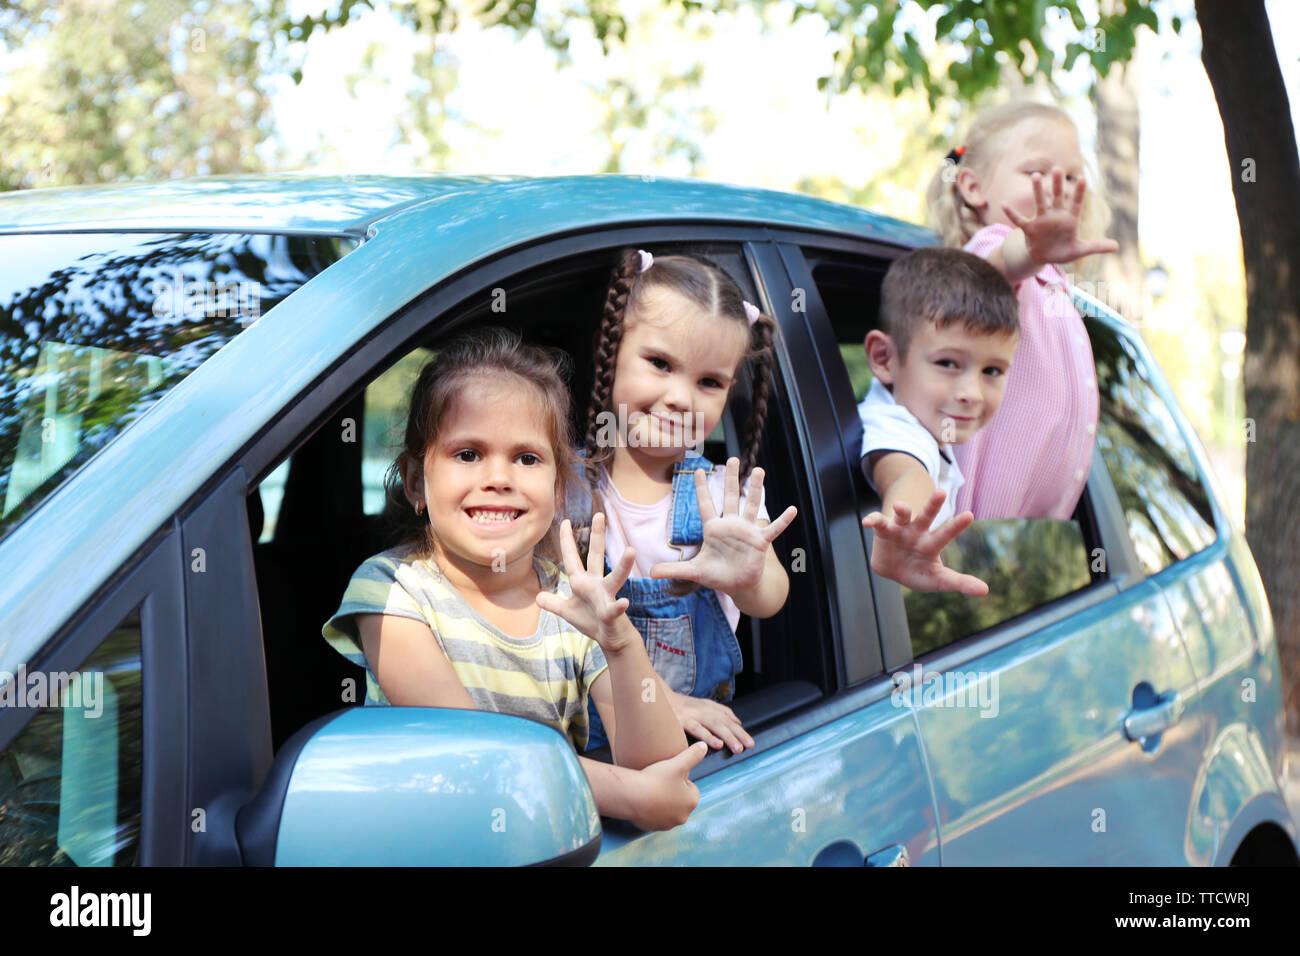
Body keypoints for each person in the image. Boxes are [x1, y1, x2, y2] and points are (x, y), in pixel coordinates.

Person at [321, 328, 707, 832]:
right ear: (416, 481)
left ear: (557, 484)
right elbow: (475, 752)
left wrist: (620, 643)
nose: (499, 478)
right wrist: (630, 797)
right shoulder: (393, 589)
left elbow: (659, 766)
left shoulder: (571, 601)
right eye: (468, 454)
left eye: (527, 458)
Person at [572, 248, 798, 755]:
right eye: (660, 364)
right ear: (610, 351)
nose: (680, 396)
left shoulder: (723, 496)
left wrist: (750, 573)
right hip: (585, 752)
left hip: (688, 751)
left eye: (708, 382)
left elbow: (769, 598)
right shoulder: (560, 483)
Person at [927, 100, 1118, 522]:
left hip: (1033, 540)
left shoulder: (1054, 285)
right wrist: (1031, 249)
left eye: (1071, 176)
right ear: (973, 188)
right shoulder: (990, 253)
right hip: (979, 529)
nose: (1060, 187)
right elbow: (997, 267)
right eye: (1037, 172)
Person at [858, 246, 1020, 596]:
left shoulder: (924, 418)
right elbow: (905, 472)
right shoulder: (894, 426)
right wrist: (907, 525)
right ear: (884, 358)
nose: (972, 393)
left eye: (992, 370)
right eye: (948, 363)